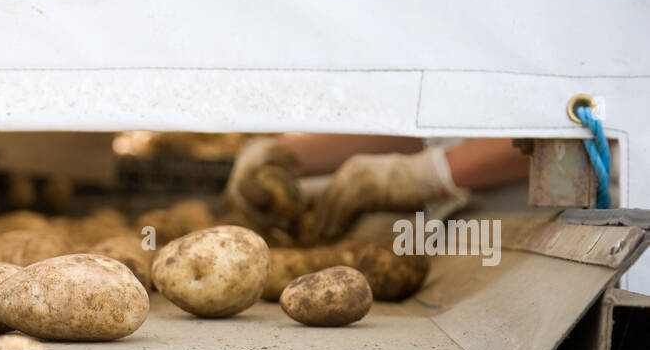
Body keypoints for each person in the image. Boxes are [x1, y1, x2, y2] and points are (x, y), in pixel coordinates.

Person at [225, 135, 531, 242]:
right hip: (447, 237)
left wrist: (433, 172)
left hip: (530, 232)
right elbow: (428, 126)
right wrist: (284, 154)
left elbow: (568, 123)